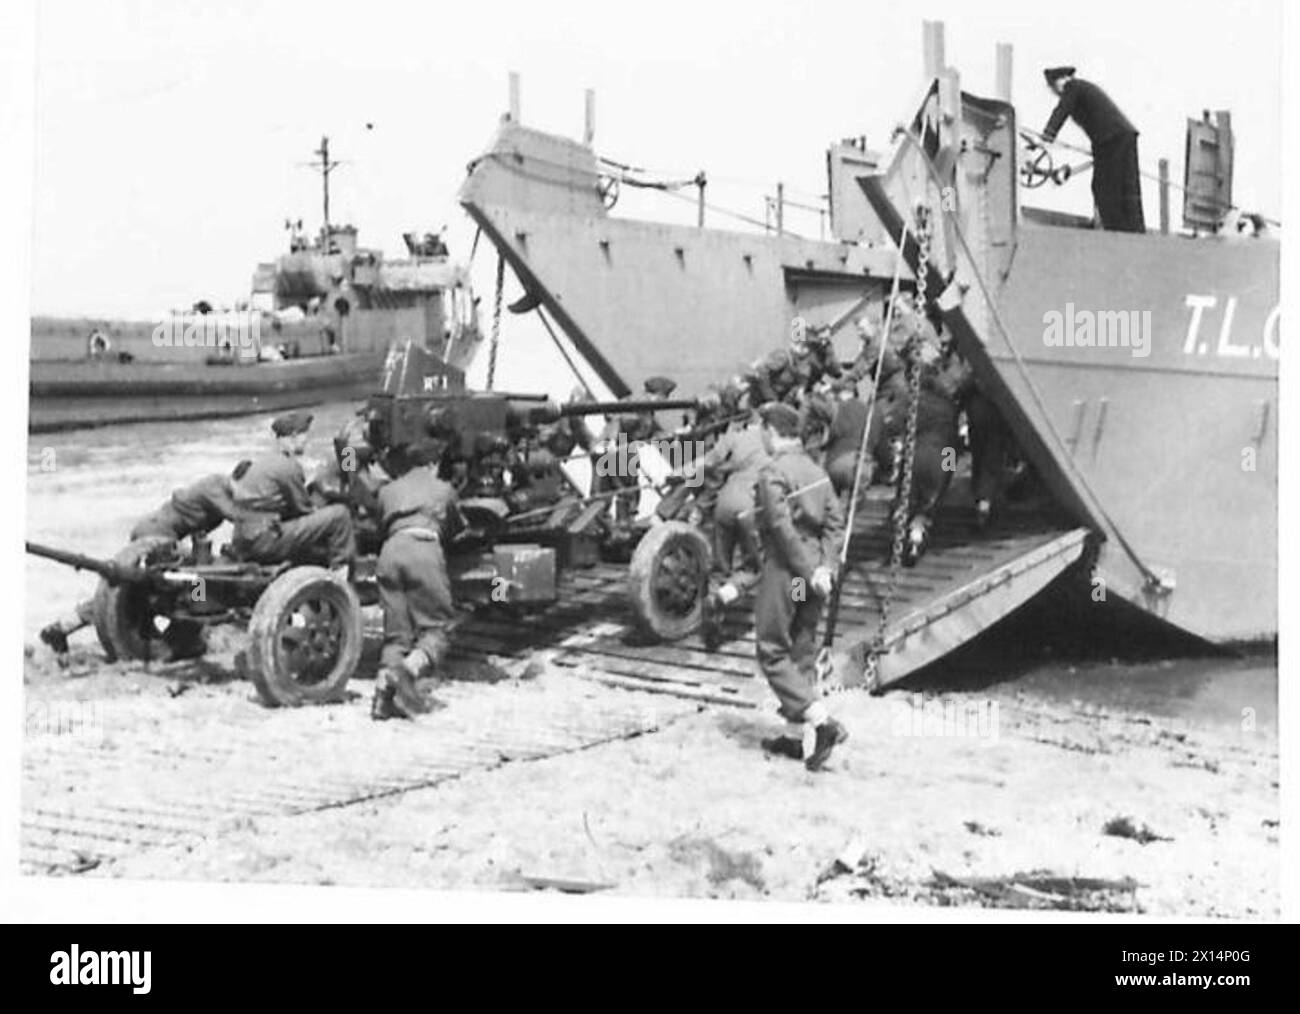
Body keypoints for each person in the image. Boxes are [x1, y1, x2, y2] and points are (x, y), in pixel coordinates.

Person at [38, 464, 249, 659]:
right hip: (158, 533)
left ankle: (63, 626)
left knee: (136, 589)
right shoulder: (216, 486)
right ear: (238, 480)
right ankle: (196, 614)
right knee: (196, 577)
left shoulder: (221, 489)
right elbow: (238, 515)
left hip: (160, 533)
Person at [752, 402, 848, 771]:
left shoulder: (773, 472)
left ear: (770, 431)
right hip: (812, 578)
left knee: (772, 649)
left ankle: (821, 722)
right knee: (801, 648)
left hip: (787, 573)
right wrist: (825, 567)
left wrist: (807, 570)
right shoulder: (816, 471)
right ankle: (794, 740)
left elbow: (780, 527)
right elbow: (834, 524)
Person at [371, 444, 462, 721]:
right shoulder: (443, 488)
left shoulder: (388, 490)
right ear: (433, 464)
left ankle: (382, 697)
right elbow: (456, 527)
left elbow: (379, 524)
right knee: (440, 628)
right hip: (423, 549)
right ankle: (406, 672)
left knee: (397, 635)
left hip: (390, 553)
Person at [229, 412, 355, 571]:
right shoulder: (289, 466)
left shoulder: (264, 460)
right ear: (294, 436)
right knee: (340, 515)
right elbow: (303, 510)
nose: (307, 441)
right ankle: (341, 573)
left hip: (244, 538)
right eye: (305, 436)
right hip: (266, 540)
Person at [689, 415, 770, 649]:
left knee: (720, 565)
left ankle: (713, 611)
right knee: (755, 566)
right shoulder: (771, 441)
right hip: (751, 504)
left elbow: (709, 461)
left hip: (724, 501)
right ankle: (724, 596)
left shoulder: (733, 436)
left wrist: (687, 470)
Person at [1041, 66, 1145, 233]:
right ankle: (1133, 230)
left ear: (1058, 83)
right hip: (1119, 137)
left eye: (1052, 88)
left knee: (1104, 187)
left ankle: (1116, 230)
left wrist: (1048, 135)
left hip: (1111, 140)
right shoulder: (1082, 88)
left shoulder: (1072, 87)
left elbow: (1062, 110)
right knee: (1126, 187)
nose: (1054, 93)